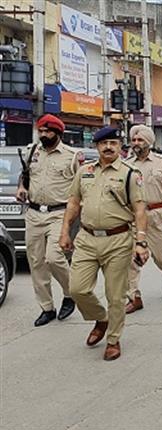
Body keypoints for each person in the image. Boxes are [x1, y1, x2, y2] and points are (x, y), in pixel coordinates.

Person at [59, 126, 148, 361]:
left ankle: (113, 339)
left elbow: (139, 210)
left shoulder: (130, 173)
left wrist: (141, 242)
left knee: (115, 295)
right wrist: (65, 231)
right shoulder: (85, 171)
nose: (108, 147)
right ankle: (101, 318)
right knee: (77, 289)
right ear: (96, 146)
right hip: (87, 239)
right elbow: (73, 203)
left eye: (113, 143)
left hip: (118, 240)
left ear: (120, 146)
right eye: (103, 143)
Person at [16, 114, 82, 326]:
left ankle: (70, 293)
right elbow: (25, 174)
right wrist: (21, 188)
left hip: (59, 213)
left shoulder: (72, 156)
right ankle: (47, 307)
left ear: (58, 133)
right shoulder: (32, 151)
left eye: (48, 131)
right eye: (41, 131)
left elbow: (82, 185)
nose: (43, 134)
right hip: (34, 213)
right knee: (36, 263)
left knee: (53, 258)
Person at [124, 125, 162, 313]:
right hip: (134, 215)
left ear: (149, 142)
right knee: (131, 257)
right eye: (134, 140)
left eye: (140, 140)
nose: (136, 143)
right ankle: (134, 296)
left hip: (158, 214)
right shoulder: (126, 164)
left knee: (161, 257)